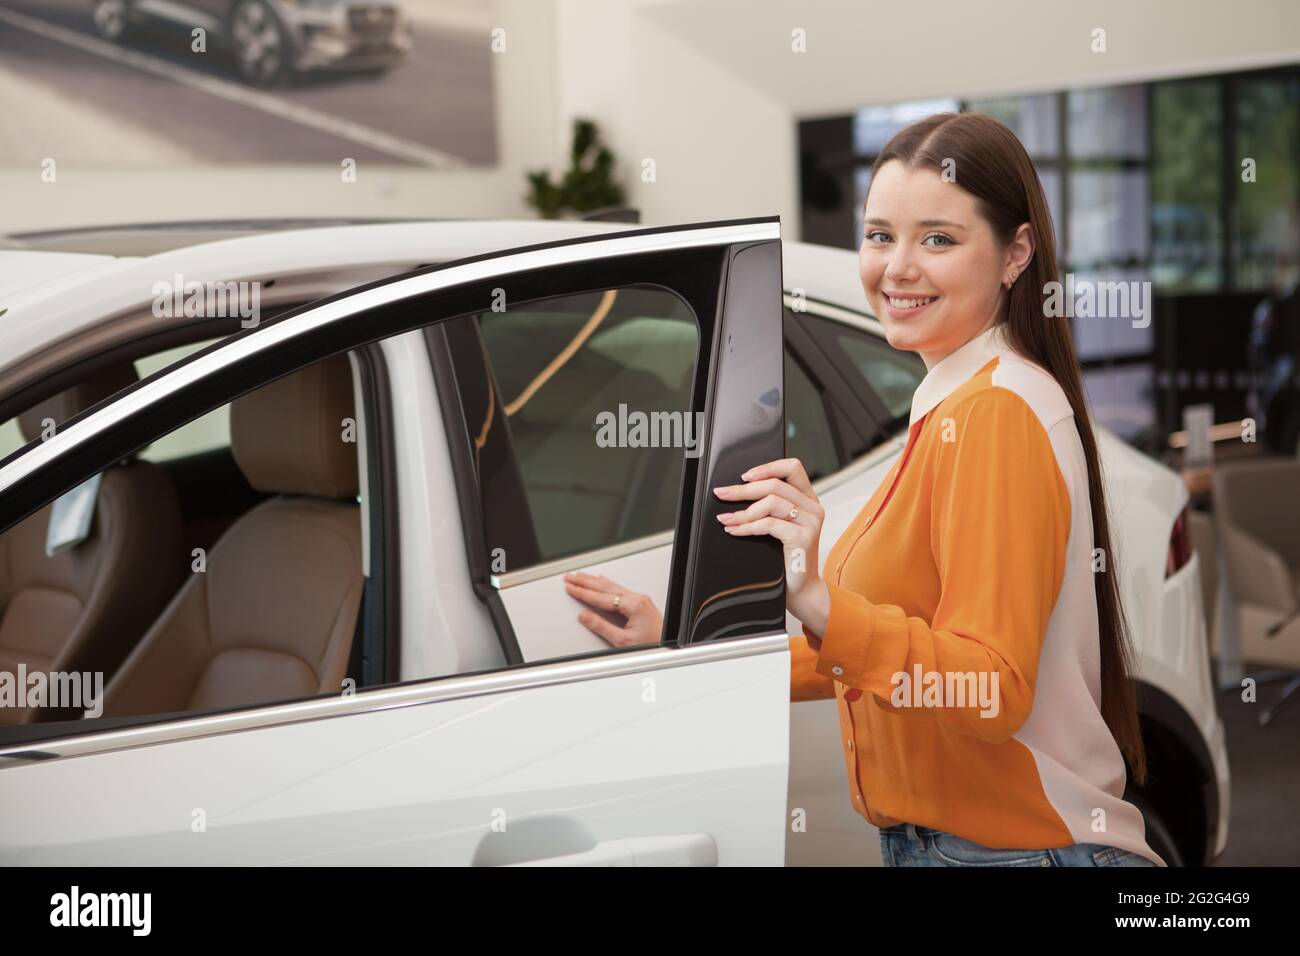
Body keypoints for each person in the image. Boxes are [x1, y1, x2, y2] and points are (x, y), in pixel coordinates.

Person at [565, 111, 1161, 867]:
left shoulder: (995, 414)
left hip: (1009, 851)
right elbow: (878, 656)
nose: (897, 267)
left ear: (1016, 253)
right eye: (880, 236)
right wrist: (688, 642)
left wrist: (817, 597)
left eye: (937, 239)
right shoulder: (955, 402)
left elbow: (988, 688)